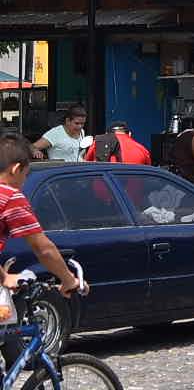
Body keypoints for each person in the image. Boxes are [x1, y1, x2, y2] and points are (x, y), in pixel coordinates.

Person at [0, 133, 81, 368]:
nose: (24, 182)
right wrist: (68, 280)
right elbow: (43, 248)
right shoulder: (9, 196)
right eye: (26, 175)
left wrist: (4, 277)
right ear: (16, 169)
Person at [87, 121, 152, 165]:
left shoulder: (98, 143)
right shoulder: (142, 150)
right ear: (129, 134)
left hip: (102, 185)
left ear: (106, 134)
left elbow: (87, 164)